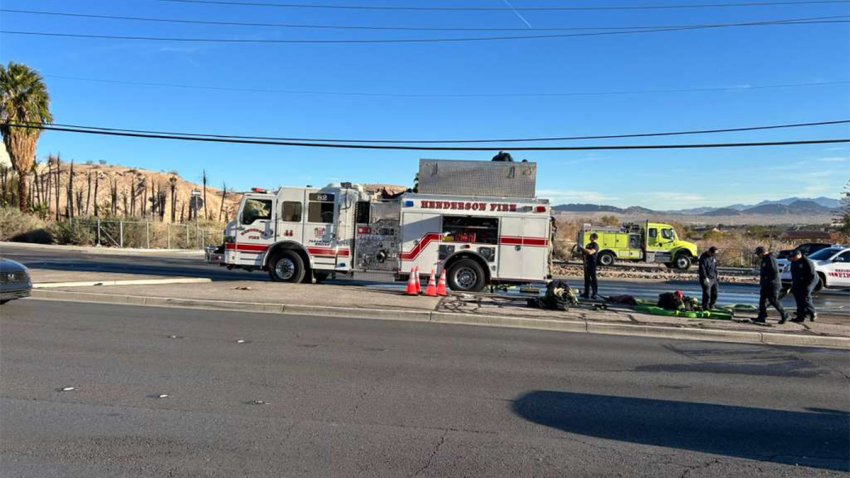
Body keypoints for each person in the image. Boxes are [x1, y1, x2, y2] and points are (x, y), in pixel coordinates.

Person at [754, 246, 788, 324]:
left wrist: (767, 280)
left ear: (762, 253)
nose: (758, 256)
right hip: (766, 284)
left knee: (773, 300)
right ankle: (762, 316)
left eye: (758, 254)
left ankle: (784, 314)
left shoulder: (770, 259)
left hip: (773, 284)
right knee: (762, 301)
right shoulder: (764, 259)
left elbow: (775, 272)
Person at [788, 249, 819, 323]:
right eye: (791, 257)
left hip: (810, 280)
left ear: (799, 255)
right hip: (799, 281)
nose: (792, 258)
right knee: (798, 296)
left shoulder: (807, 262)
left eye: (794, 256)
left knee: (805, 295)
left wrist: (807, 286)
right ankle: (801, 316)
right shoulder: (793, 262)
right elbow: (794, 274)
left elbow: (812, 275)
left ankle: (812, 312)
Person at [698, 246, 719, 311]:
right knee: (707, 294)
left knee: (715, 293)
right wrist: (705, 277)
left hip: (714, 278)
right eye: (713, 253)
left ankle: (711, 305)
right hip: (706, 278)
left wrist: (717, 274)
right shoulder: (703, 258)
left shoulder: (713, 257)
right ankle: (705, 306)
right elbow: (702, 269)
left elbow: (715, 266)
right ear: (710, 252)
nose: (714, 255)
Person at [580, 233, 599, 299]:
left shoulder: (595, 245)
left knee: (593, 279)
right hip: (587, 263)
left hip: (592, 264)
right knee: (587, 279)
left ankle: (594, 294)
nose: (590, 237)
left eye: (592, 237)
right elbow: (585, 253)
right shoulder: (588, 245)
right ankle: (586, 293)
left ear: (595, 238)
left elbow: (591, 252)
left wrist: (583, 249)